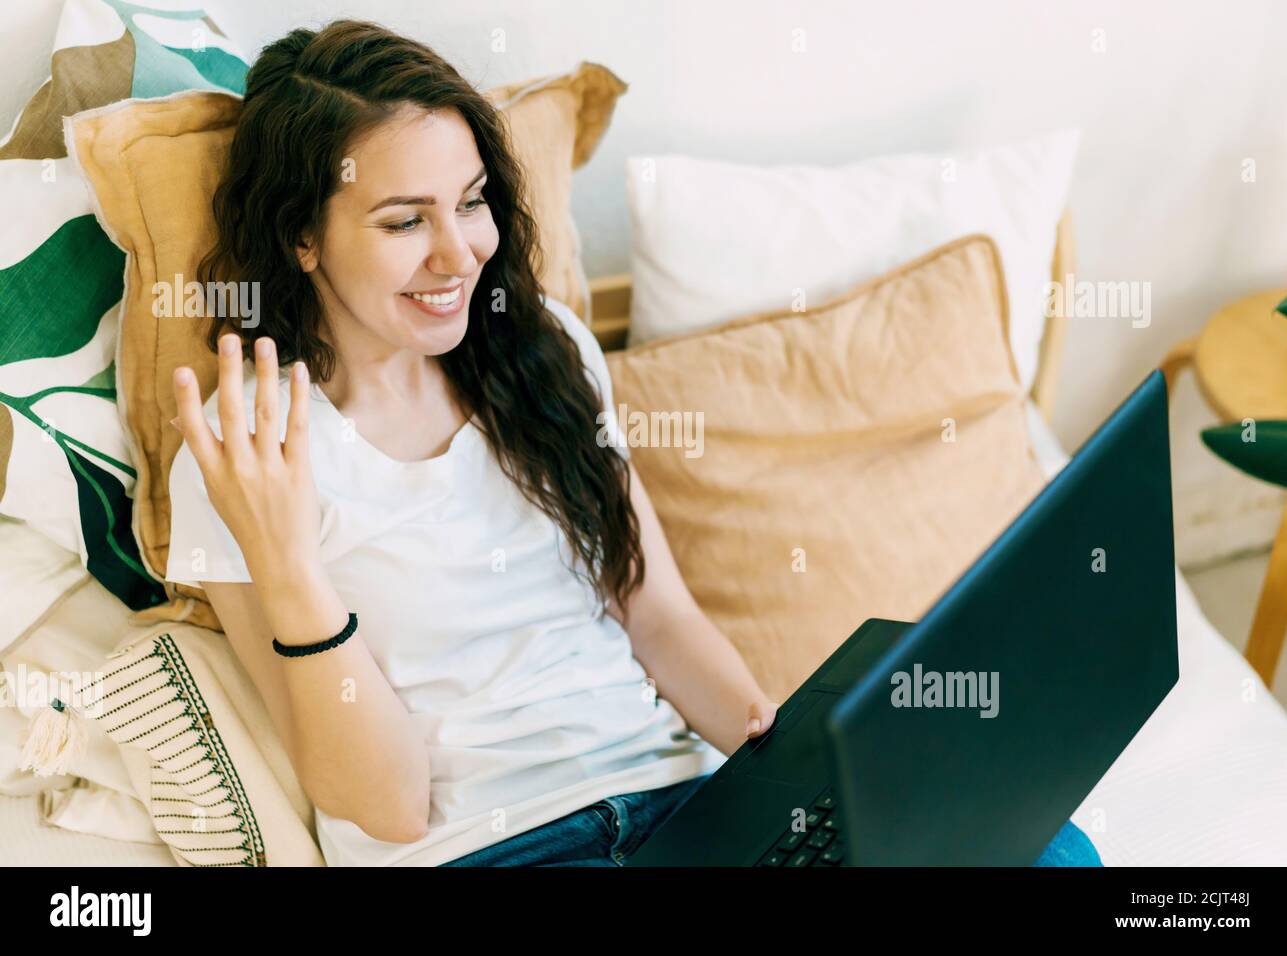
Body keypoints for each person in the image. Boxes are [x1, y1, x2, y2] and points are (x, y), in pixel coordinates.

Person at [165, 18, 1101, 869]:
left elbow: (658, 616)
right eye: (406, 221)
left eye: (473, 202)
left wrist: (801, 769)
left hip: (681, 806)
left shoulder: (544, 353)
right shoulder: (241, 460)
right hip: (491, 851)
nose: (460, 253)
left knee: (1043, 845)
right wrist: (286, 561)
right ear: (302, 237)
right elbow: (390, 806)